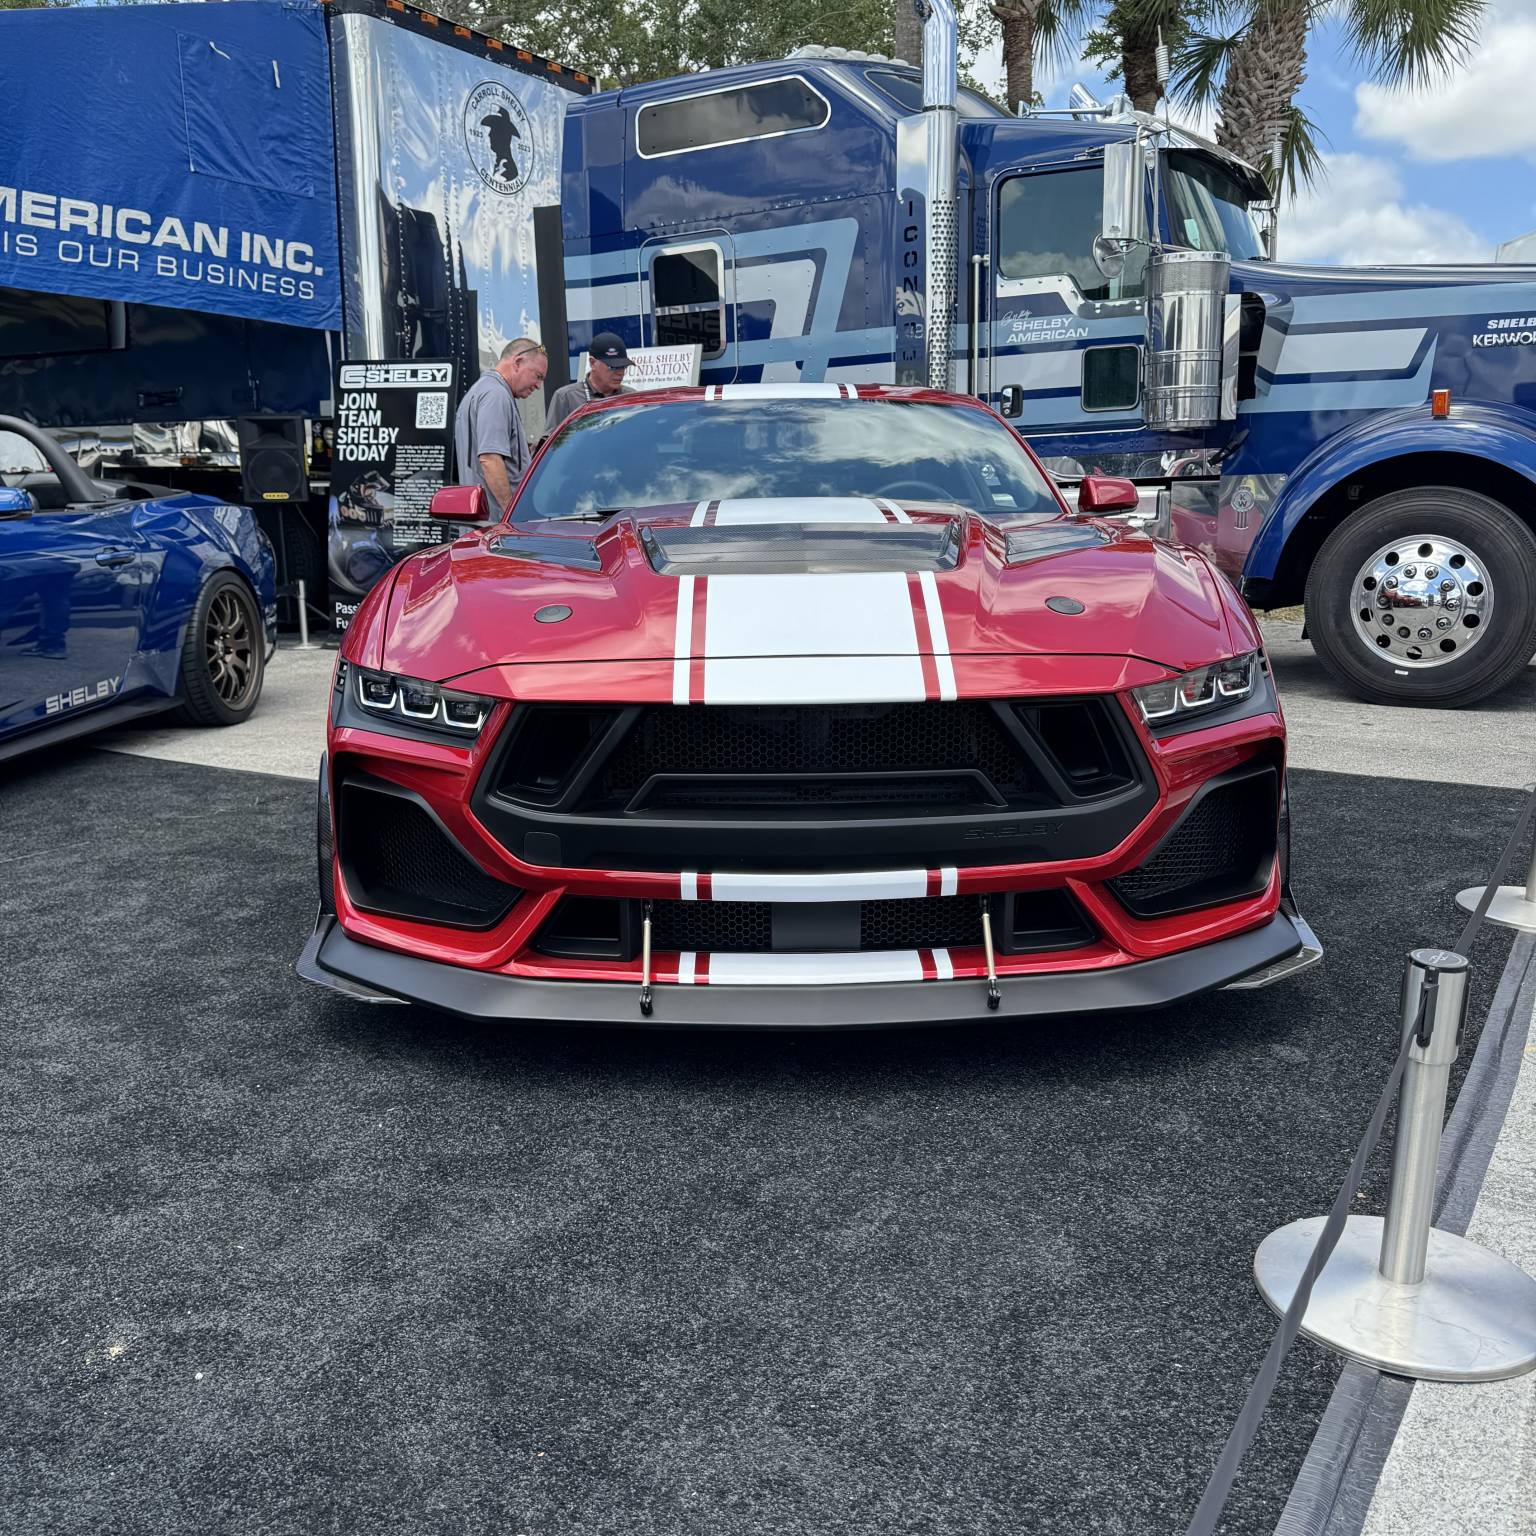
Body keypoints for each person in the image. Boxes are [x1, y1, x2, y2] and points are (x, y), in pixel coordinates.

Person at [454, 338, 547, 513]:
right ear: (518, 362)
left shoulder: (482, 390)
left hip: (485, 523)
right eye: (538, 376)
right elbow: (490, 459)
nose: (538, 385)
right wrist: (510, 512)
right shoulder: (496, 395)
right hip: (495, 525)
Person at [542, 332, 632, 438]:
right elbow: (552, 444)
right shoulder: (566, 398)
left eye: (623, 366)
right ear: (592, 363)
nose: (620, 373)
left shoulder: (630, 397)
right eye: (612, 367)